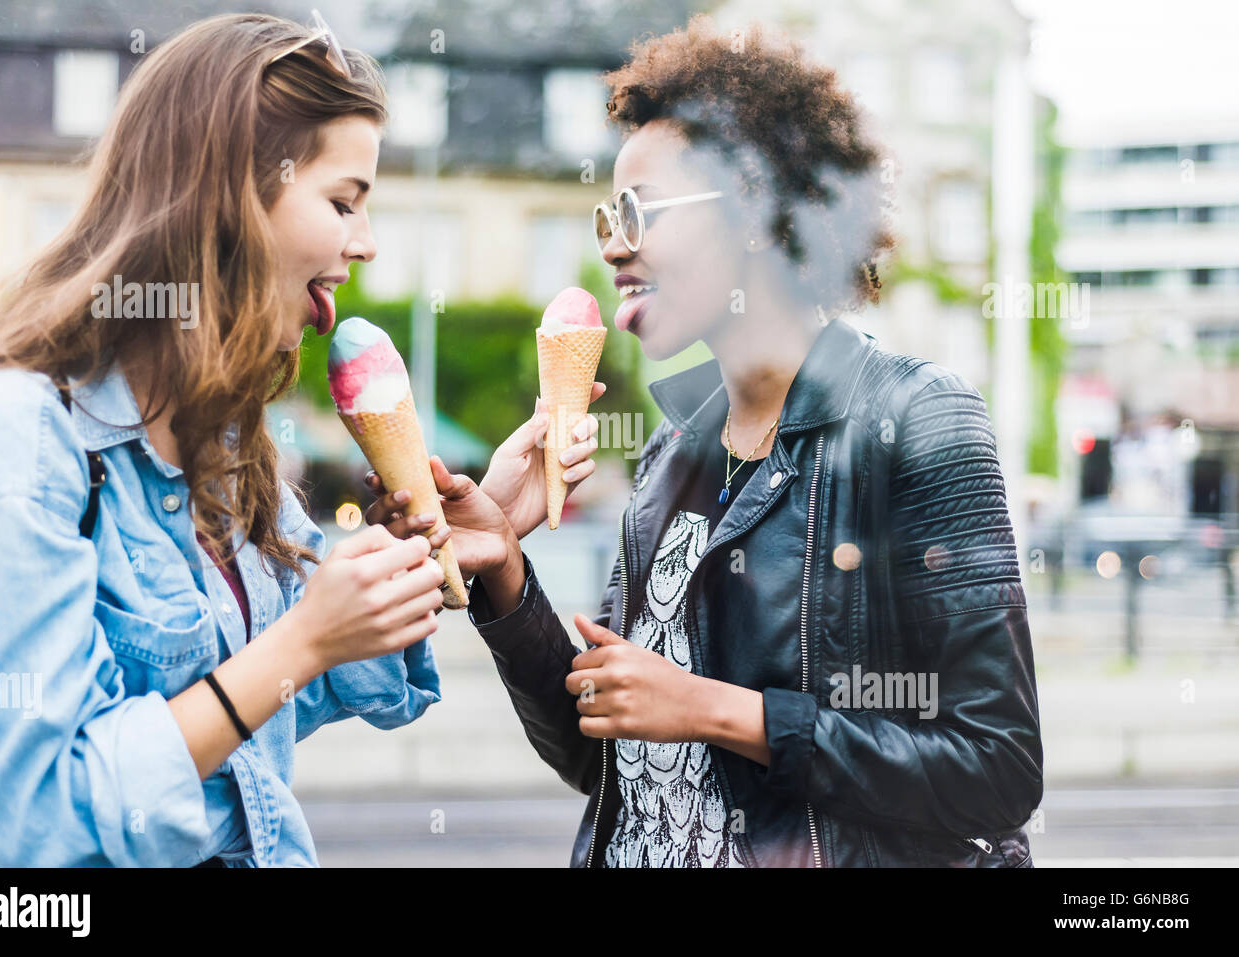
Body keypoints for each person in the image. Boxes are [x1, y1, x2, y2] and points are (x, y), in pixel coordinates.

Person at [0, 12, 602, 867]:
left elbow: (304, 687)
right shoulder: (17, 442)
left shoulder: (224, 451)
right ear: (227, 200)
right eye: (341, 203)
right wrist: (303, 639)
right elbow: (35, 819)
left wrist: (439, 550)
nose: (362, 244)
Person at [422, 16, 1044, 867]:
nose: (611, 243)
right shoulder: (674, 452)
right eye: (608, 213)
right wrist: (503, 569)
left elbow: (998, 768)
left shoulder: (920, 419)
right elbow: (606, 753)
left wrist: (723, 711)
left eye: (638, 210)